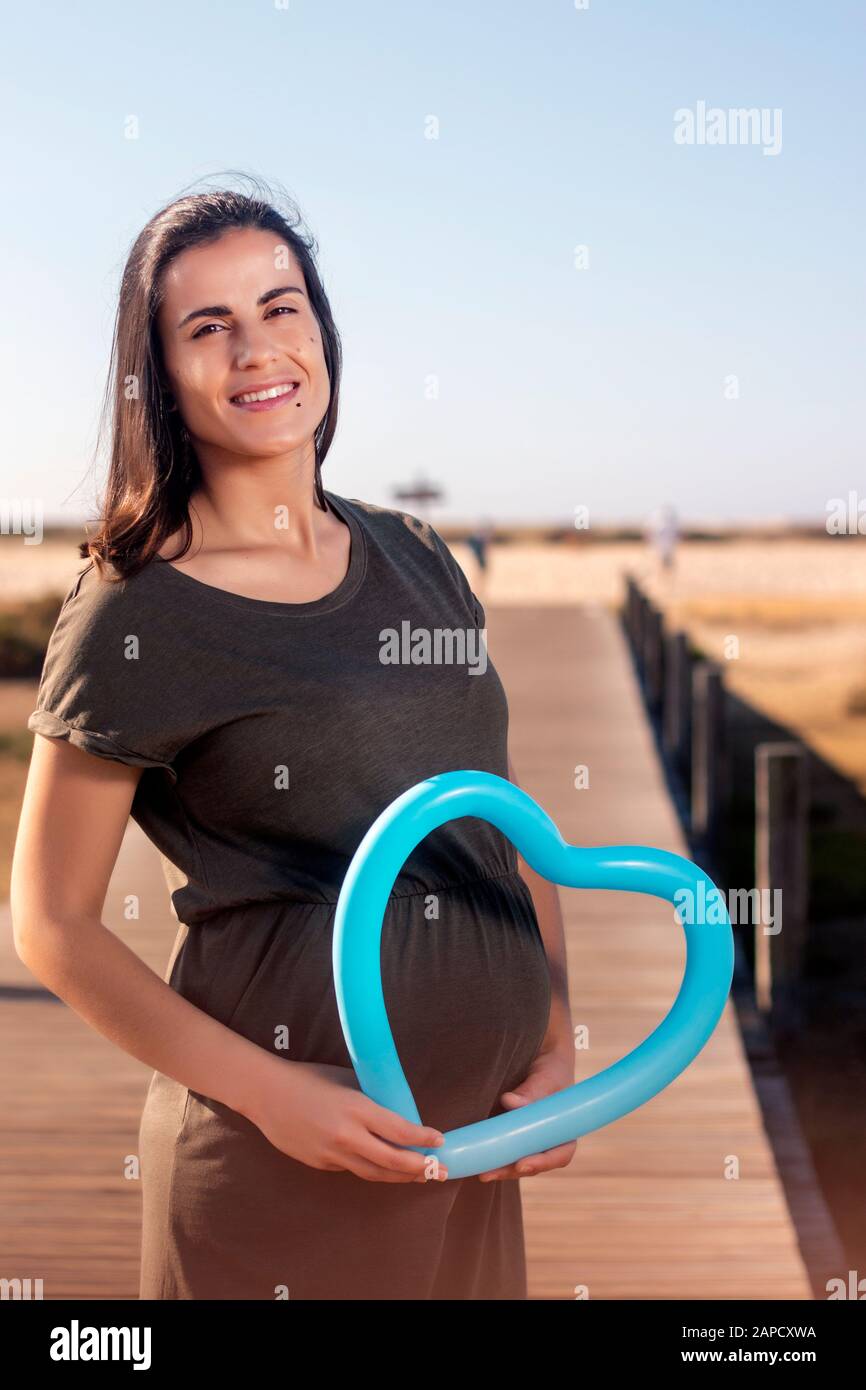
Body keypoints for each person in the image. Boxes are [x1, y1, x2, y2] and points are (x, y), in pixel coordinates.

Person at [11, 180, 577, 1301]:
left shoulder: (415, 553)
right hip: (276, 1179)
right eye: (207, 327)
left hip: (470, 1152)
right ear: (157, 376)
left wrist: (553, 1042)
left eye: (281, 309)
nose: (257, 350)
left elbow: (499, 822)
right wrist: (274, 1094)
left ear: (321, 332)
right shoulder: (140, 608)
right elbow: (52, 922)